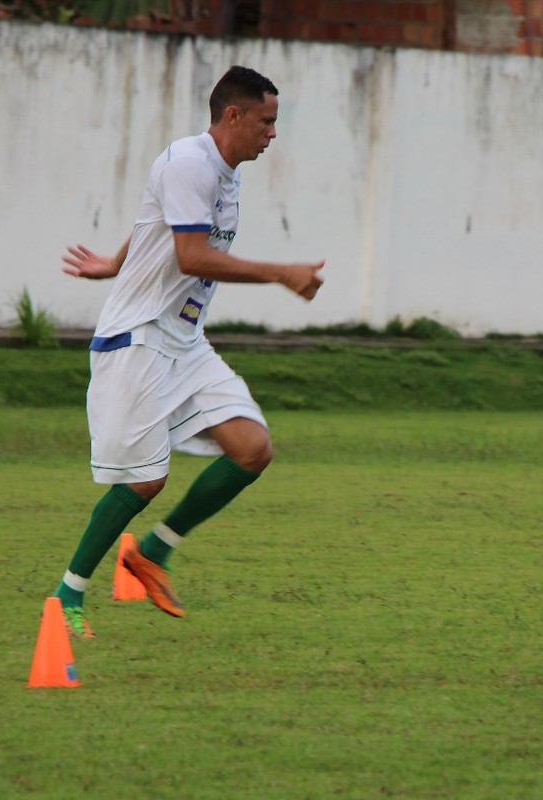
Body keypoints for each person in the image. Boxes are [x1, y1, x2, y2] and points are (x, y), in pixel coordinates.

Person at [51, 65, 325, 638]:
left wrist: (116, 260)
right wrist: (280, 273)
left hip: (185, 342)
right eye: (267, 122)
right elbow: (191, 256)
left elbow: (159, 221)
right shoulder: (188, 163)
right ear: (234, 116)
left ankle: (152, 551)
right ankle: (67, 596)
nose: (273, 134)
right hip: (141, 339)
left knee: (253, 449)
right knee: (144, 481)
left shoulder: (224, 174)